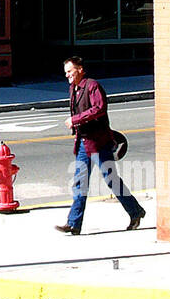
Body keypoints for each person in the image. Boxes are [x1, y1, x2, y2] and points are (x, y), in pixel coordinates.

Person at [56, 57, 146, 235]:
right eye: (65, 72)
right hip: (83, 143)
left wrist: (75, 120)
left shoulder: (92, 86)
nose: (67, 75)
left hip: (98, 143)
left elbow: (99, 108)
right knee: (80, 183)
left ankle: (136, 211)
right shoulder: (73, 89)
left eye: (70, 71)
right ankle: (74, 223)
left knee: (111, 180)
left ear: (80, 69)